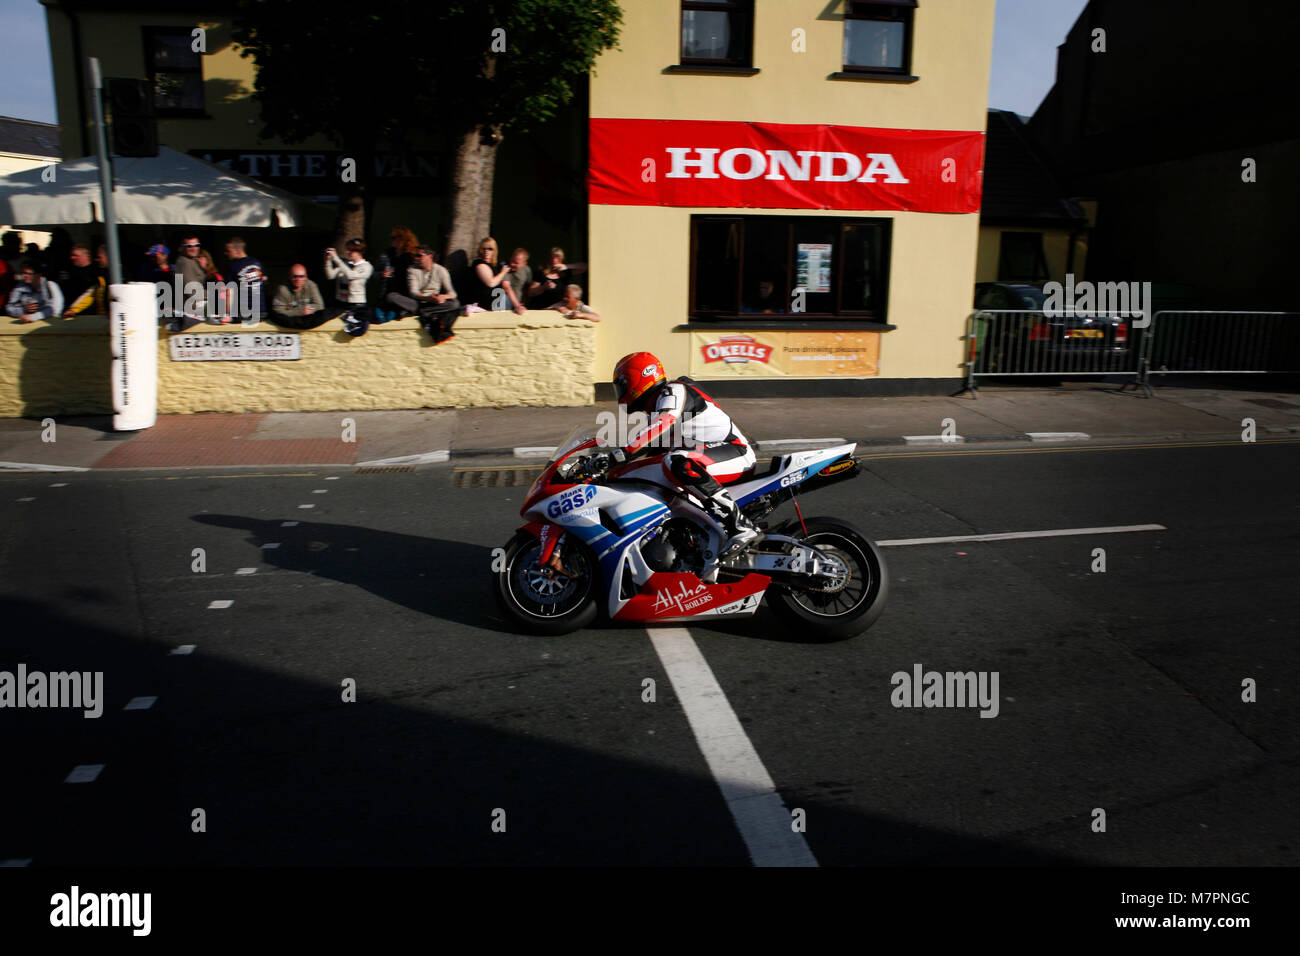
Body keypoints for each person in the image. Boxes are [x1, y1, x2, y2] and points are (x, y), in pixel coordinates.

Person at [603, 352, 761, 557]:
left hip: (734, 452)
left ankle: (739, 526)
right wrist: (611, 467)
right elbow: (651, 448)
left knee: (677, 462)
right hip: (709, 456)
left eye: (622, 384)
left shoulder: (673, 391)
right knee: (659, 469)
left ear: (636, 378)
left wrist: (621, 453)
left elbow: (662, 423)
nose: (621, 391)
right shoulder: (658, 409)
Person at [388, 245, 459, 343]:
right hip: (418, 302)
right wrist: (428, 298)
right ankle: (425, 312)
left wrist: (444, 296)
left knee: (455, 303)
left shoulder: (440, 270)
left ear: (429, 256)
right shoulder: (412, 269)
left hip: (434, 303)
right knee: (391, 297)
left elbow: (452, 293)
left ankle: (425, 313)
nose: (416, 258)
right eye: (415, 256)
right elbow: (414, 293)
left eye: (419, 256)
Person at [325, 239, 374, 336]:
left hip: (356, 305)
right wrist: (328, 260)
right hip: (341, 302)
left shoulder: (366, 267)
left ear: (359, 252)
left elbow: (351, 275)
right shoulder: (345, 264)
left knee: (356, 329)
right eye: (347, 250)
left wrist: (336, 259)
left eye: (351, 250)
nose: (348, 252)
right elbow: (330, 275)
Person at [269, 265, 328, 329]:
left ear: (306, 277)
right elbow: (277, 309)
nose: (298, 279)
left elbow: (320, 305)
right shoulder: (282, 289)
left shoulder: (312, 286)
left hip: (308, 323)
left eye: (301, 276)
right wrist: (301, 312)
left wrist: (310, 309)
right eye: (295, 276)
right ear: (290, 277)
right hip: (289, 324)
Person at [223, 236, 265, 325]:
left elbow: (229, 293)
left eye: (228, 251)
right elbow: (264, 280)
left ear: (237, 250)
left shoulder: (232, 267)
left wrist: (227, 314)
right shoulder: (257, 263)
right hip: (261, 311)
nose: (225, 253)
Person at [463, 237, 512, 312]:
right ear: (480, 250)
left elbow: (505, 285)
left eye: (490, 249)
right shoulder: (479, 264)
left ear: (494, 251)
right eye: (484, 249)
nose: (486, 251)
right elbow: (491, 283)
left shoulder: (494, 265)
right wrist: (503, 272)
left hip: (499, 301)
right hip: (486, 305)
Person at [61, 244, 107, 317]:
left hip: (93, 315)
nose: (72, 258)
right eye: (72, 255)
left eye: (75, 255)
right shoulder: (70, 271)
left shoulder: (97, 273)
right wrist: (72, 309)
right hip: (74, 313)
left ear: (86, 256)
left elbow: (91, 294)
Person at [502, 247, 531, 316]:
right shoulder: (505, 268)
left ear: (524, 263)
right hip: (509, 303)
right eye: (511, 261)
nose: (512, 264)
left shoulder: (527, 270)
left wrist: (523, 302)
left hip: (521, 303)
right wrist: (517, 305)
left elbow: (527, 287)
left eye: (516, 263)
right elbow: (506, 287)